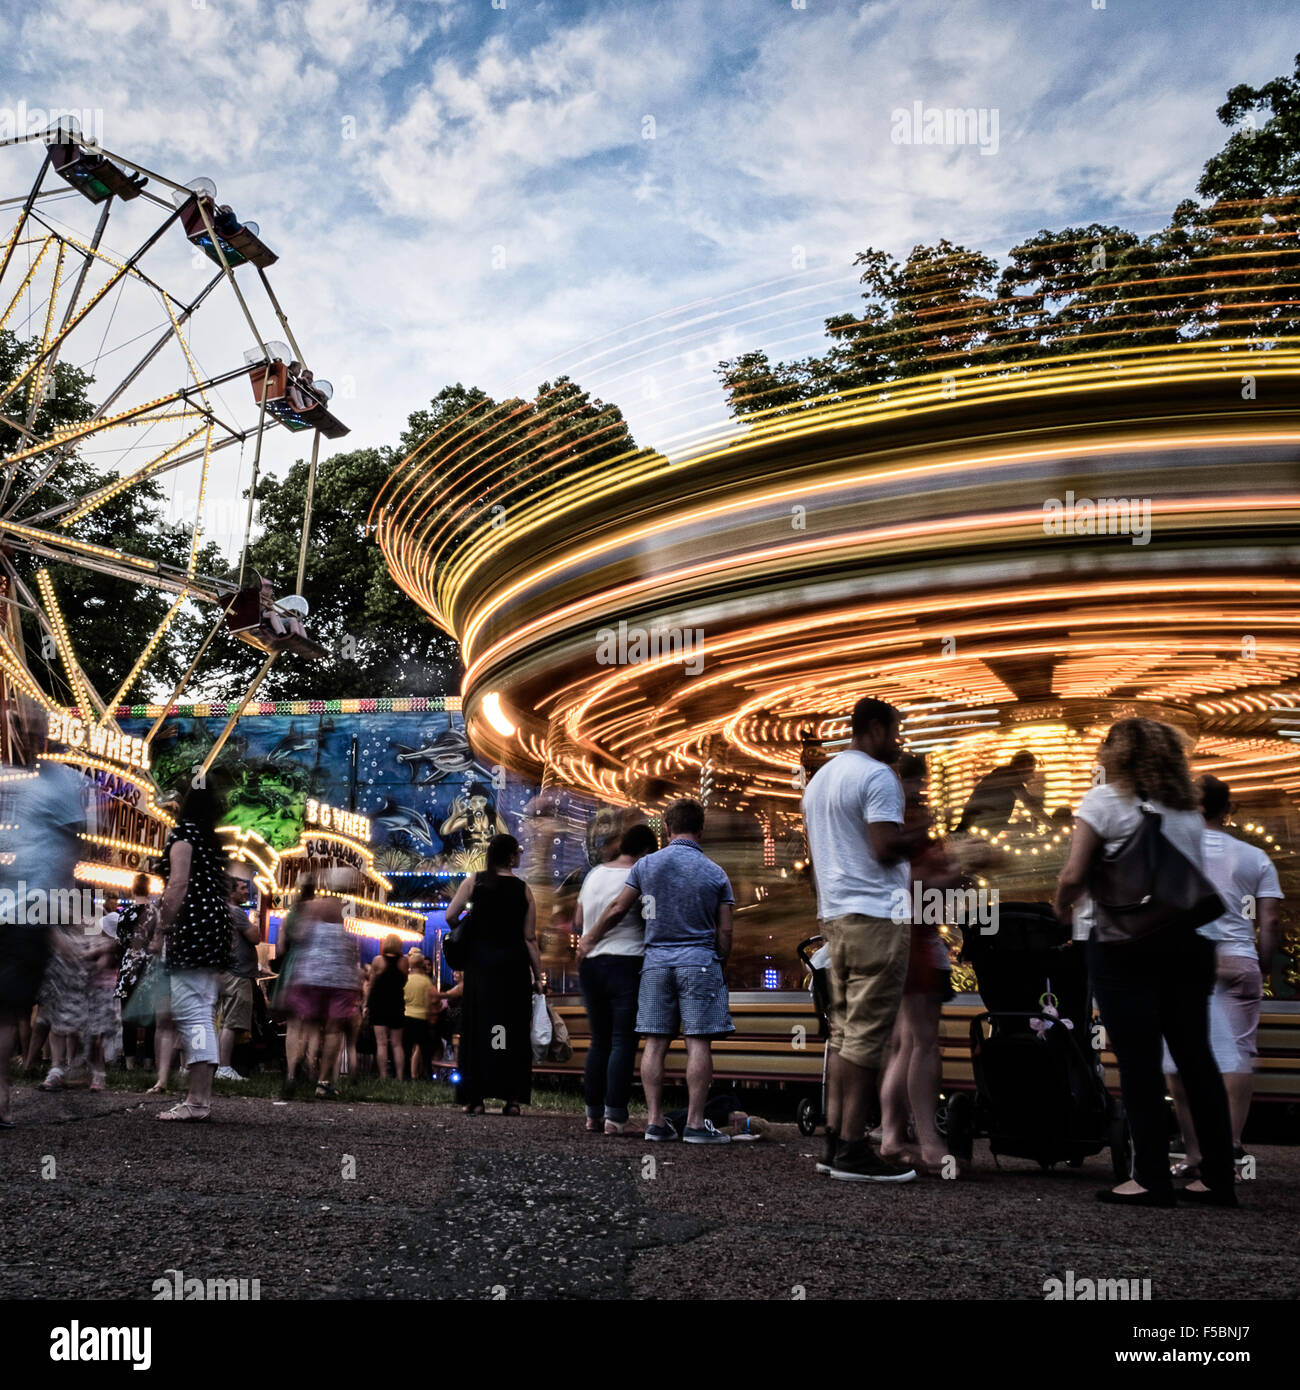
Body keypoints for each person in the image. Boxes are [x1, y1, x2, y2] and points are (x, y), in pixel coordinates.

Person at [1054, 717, 1235, 1206]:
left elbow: (1075, 873)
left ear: (1116, 755)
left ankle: (1150, 1176)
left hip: (1121, 943)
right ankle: (1217, 1177)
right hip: (1187, 944)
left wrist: (1060, 902)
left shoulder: (1103, 800)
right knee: (1197, 1060)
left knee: (1138, 1062)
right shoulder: (1186, 810)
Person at [800, 697, 924, 1182]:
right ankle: (853, 1145)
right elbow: (883, 846)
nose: (899, 742)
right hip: (877, 915)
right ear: (873, 729)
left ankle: (834, 1140)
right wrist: (926, 835)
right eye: (895, 731)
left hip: (836, 917)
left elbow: (816, 862)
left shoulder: (820, 782)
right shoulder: (877, 777)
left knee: (843, 1033)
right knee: (868, 1037)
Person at [589, 799, 734, 1145]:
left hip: (655, 964)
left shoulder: (646, 867)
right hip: (698, 962)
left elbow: (617, 908)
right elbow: (725, 932)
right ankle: (696, 1125)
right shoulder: (716, 873)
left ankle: (655, 1122)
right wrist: (720, 963)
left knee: (654, 1043)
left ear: (667, 829)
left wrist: (590, 938)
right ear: (700, 829)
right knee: (698, 1043)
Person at [1165, 775, 1283, 1177]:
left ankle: (1195, 1153)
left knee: (1177, 1058)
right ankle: (1229, 1149)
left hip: (1187, 960)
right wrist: (1262, 961)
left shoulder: (1175, 851)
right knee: (1237, 1054)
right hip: (1238, 960)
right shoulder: (1255, 857)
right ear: (1227, 810)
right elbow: (1269, 918)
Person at [0, 701, 87, 1124]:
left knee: (9, 1010)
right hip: (26, 911)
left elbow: (72, 850)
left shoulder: (58, 782)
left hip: (28, 910)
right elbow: (74, 849)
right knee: (8, 1010)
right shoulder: (60, 783)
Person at [879, 752, 960, 1175]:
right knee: (924, 1044)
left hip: (903, 935)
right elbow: (920, 882)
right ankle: (929, 1140)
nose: (922, 789)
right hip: (916, 937)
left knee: (905, 1043)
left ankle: (893, 1135)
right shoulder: (909, 824)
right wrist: (958, 870)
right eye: (917, 781)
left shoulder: (892, 821)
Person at [443, 834, 543, 1115]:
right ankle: (511, 1099)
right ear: (511, 857)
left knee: (478, 1029)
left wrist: (473, 922)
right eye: (518, 852)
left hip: (480, 967)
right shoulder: (523, 890)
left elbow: (451, 916)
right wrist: (539, 977)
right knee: (511, 1030)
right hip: (512, 969)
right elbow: (530, 938)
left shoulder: (474, 881)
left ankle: (475, 1098)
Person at [153, 780, 233, 1121]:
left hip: (192, 925)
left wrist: (161, 927)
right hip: (214, 925)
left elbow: (178, 883)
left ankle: (197, 1101)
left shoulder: (183, 836)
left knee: (192, 1011)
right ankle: (200, 1096)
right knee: (202, 1007)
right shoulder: (211, 841)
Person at [574, 823, 659, 1134]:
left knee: (600, 1040)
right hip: (627, 962)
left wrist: (589, 939)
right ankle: (615, 1116)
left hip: (591, 965)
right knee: (623, 1040)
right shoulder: (640, 875)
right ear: (646, 852)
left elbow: (578, 919)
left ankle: (592, 1114)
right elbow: (633, 913)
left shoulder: (594, 874)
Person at [282, 870, 362, 1099]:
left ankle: (292, 1072)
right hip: (340, 976)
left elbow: (298, 936)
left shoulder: (313, 907)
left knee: (306, 1027)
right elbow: (353, 942)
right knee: (333, 1031)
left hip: (311, 973)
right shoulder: (348, 908)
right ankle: (323, 1082)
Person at [215, 873, 261, 1081]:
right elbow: (255, 937)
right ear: (230, 891)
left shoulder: (221, 911)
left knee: (225, 1021)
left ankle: (220, 1065)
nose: (246, 891)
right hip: (238, 973)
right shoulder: (236, 912)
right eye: (241, 888)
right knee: (231, 1023)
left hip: (226, 971)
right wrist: (256, 921)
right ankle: (224, 1067)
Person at [957, 750, 1046, 834]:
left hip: (972, 834)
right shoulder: (1008, 774)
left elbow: (992, 823)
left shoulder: (1002, 778)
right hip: (972, 834)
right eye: (1031, 770)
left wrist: (1019, 827)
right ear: (1024, 766)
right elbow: (1029, 803)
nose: (1033, 776)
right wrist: (1054, 825)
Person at [364, 933, 407, 1079]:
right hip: (397, 1003)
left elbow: (371, 983)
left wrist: (366, 1004)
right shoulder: (404, 962)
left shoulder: (378, 960)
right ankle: (400, 1077)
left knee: (381, 1043)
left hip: (379, 1003)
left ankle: (383, 1076)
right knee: (397, 1044)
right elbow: (404, 981)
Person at [402, 956, 434, 1081]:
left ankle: (405, 1075)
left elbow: (402, 998)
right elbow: (430, 1000)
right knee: (425, 1051)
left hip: (407, 1016)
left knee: (406, 1049)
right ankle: (428, 1076)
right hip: (422, 1018)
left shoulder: (406, 980)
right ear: (421, 965)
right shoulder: (426, 981)